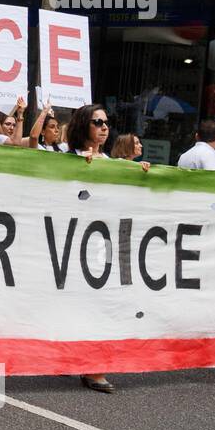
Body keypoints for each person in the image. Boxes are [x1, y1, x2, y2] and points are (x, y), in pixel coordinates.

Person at [63, 103, 149, 394]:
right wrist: (76, 171)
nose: (103, 127)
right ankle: (66, 355)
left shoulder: (114, 165)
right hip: (68, 246)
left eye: (106, 122)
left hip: (102, 248)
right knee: (72, 306)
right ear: (82, 126)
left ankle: (95, 368)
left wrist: (139, 175)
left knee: (103, 305)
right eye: (96, 121)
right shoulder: (66, 159)